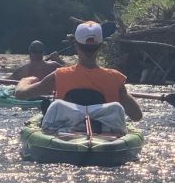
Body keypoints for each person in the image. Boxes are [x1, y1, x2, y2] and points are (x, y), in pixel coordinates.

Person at [13, 21, 143, 120]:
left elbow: (20, 94)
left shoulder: (60, 76)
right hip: (105, 135)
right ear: (100, 47)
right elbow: (137, 116)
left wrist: (26, 80)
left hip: (67, 134)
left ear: (76, 46)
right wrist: (121, 93)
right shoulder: (115, 79)